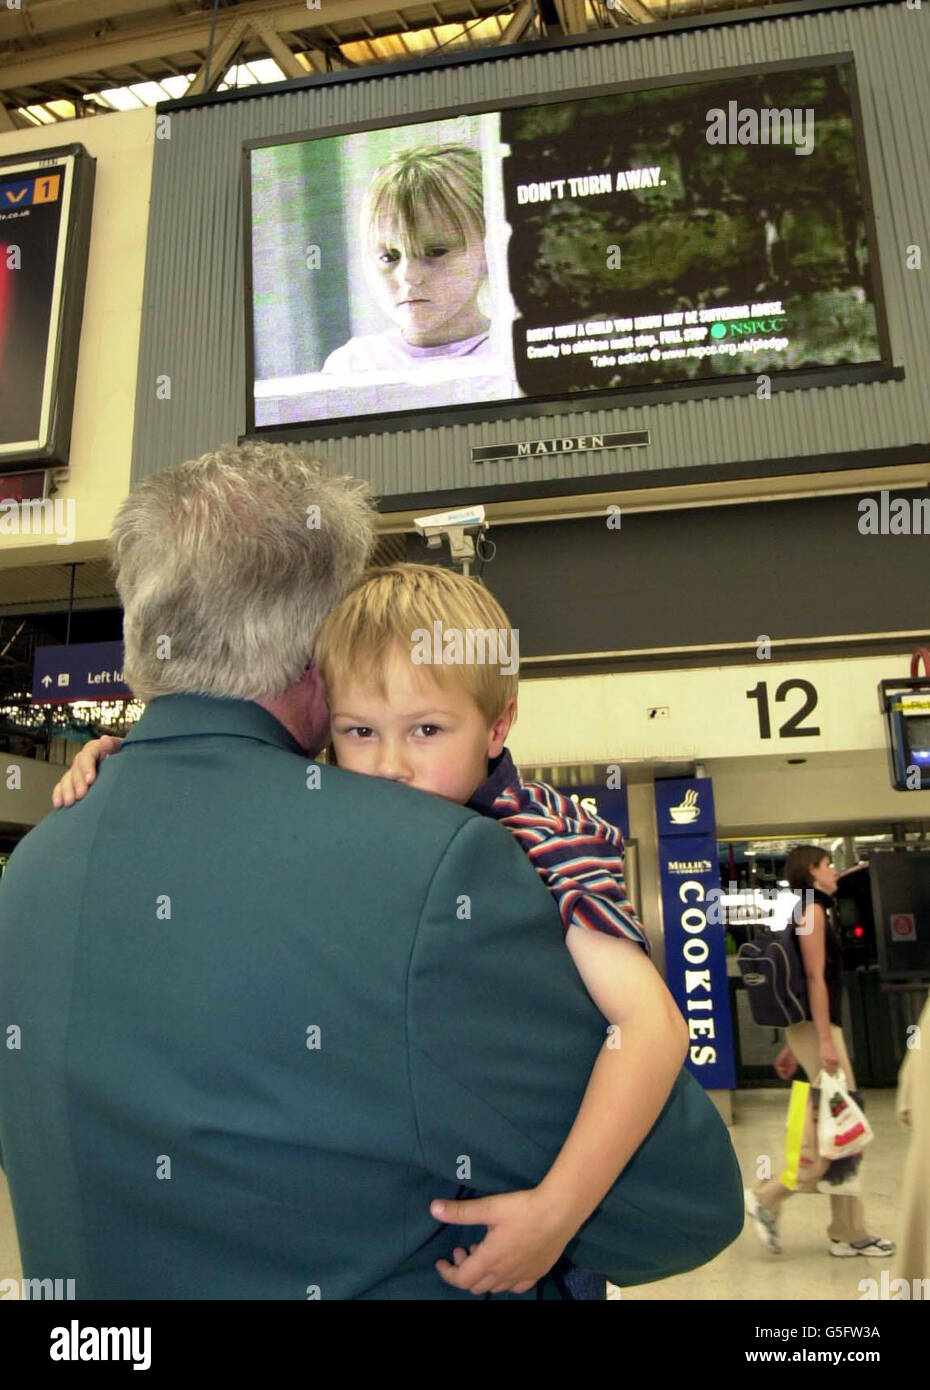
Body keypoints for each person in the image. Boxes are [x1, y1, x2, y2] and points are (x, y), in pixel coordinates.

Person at [1, 441, 743, 1300]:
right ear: (321, 656)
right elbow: (684, 1208)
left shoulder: (38, 862)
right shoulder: (441, 869)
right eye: (368, 726)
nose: (393, 759)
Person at [745, 845, 895, 1259]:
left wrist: (799, 1046)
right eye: (829, 865)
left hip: (810, 1031)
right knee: (843, 1125)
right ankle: (772, 1197)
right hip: (819, 1029)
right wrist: (824, 1040)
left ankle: (847, 1229)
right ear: (812, 871)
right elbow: (813, 978)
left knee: (830, 1123)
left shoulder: (805, 908)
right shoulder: (811, 912)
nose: (834, 872)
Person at [321, 145, 517, 390]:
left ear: (491, 251)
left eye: (435, 252)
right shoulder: (353, 366)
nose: (408, 276)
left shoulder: (515, 358)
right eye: (389, 257)